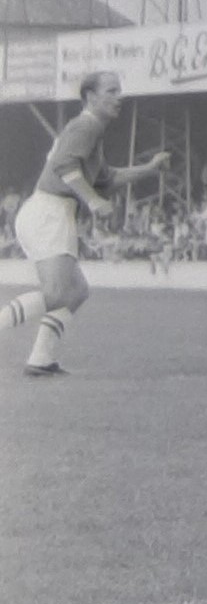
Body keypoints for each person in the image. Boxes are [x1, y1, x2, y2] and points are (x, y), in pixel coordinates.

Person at [7, 71, 170, 377]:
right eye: (111, 91)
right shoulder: (86, 125)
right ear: (90, 97)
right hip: (49, 211)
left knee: (77, 290)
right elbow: (64, 166)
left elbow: (108, 179)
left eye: (119, 90)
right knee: (57, 293)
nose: (118, 97)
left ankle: (41, 359)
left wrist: (150, 169)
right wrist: (93, 201)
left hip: (54, 212)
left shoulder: (90, 132)